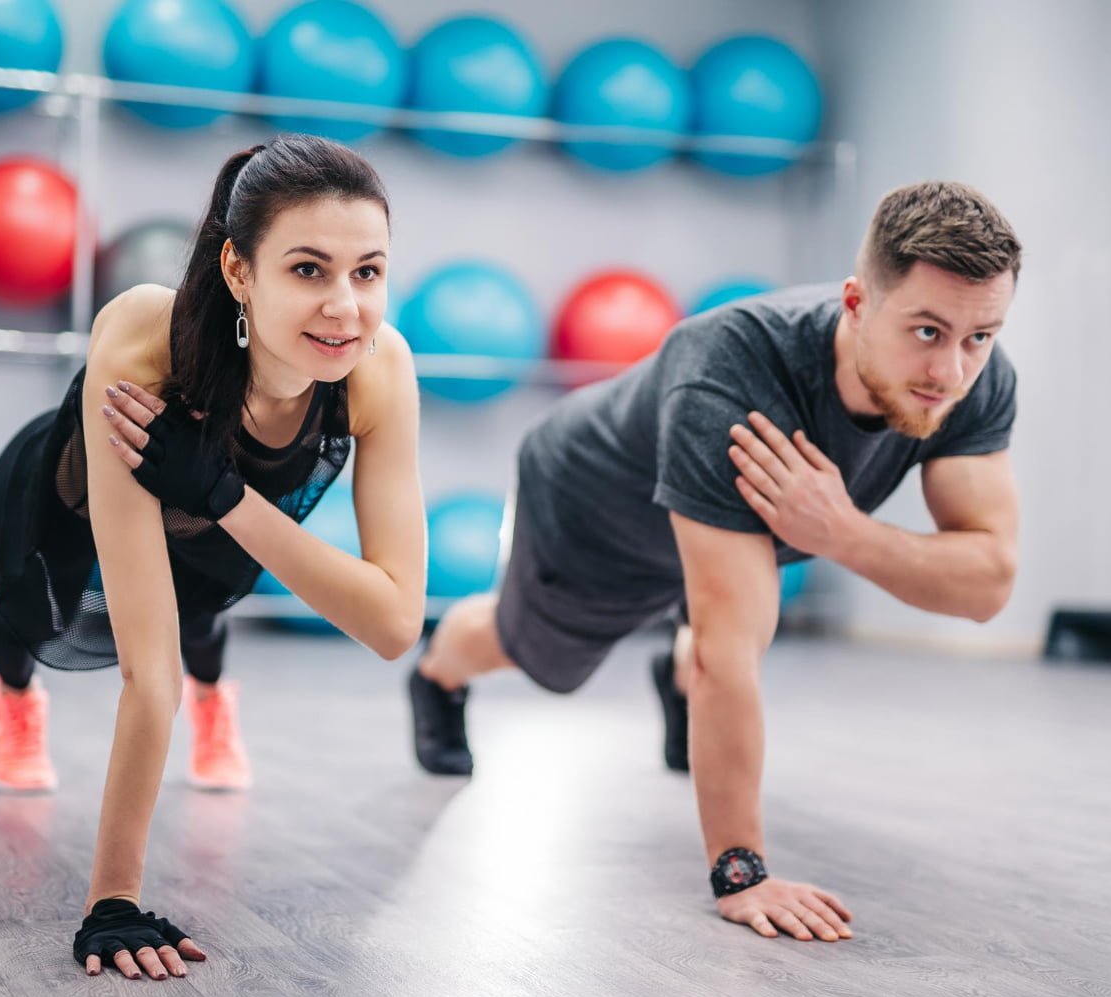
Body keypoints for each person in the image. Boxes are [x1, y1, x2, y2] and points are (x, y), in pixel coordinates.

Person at [406, 180, 1022, 944]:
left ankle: (678, 652)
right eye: (927, 331)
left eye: (979, 337)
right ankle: (437, 675)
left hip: (773, 518)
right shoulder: (729, 372)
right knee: (539, 657)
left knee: (721, 619)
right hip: (598, 513)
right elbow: (729, 660)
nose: (952, 372)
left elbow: (988, 582)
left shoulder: (973, 379)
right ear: (856, 303)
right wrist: (742, 873)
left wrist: (844, 533)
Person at [0, 134, 426, 978]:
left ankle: (219, 694)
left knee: (203, 615)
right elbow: (147, 671)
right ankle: (8, 694)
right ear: (238, 272)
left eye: (368, 271)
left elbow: (397, 623)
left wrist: (220, 495)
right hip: (65, 507)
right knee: (33, 622)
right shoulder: (144, 338)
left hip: (224, 516)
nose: (345, 307)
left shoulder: (381, 366)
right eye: (308, 269)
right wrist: (112, 900)